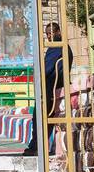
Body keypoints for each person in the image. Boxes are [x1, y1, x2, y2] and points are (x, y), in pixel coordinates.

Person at [22, 23, 70, 157]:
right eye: (47, 34)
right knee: (45, 119)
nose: (49, 36)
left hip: (51, 88)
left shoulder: (57, 47)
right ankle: (40, 146)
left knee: (40, 118)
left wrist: (38, 75)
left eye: (52, 33)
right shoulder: (59, 47)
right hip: (53, 87)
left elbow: (46, 69)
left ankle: (36, 147)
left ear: (59, 31)